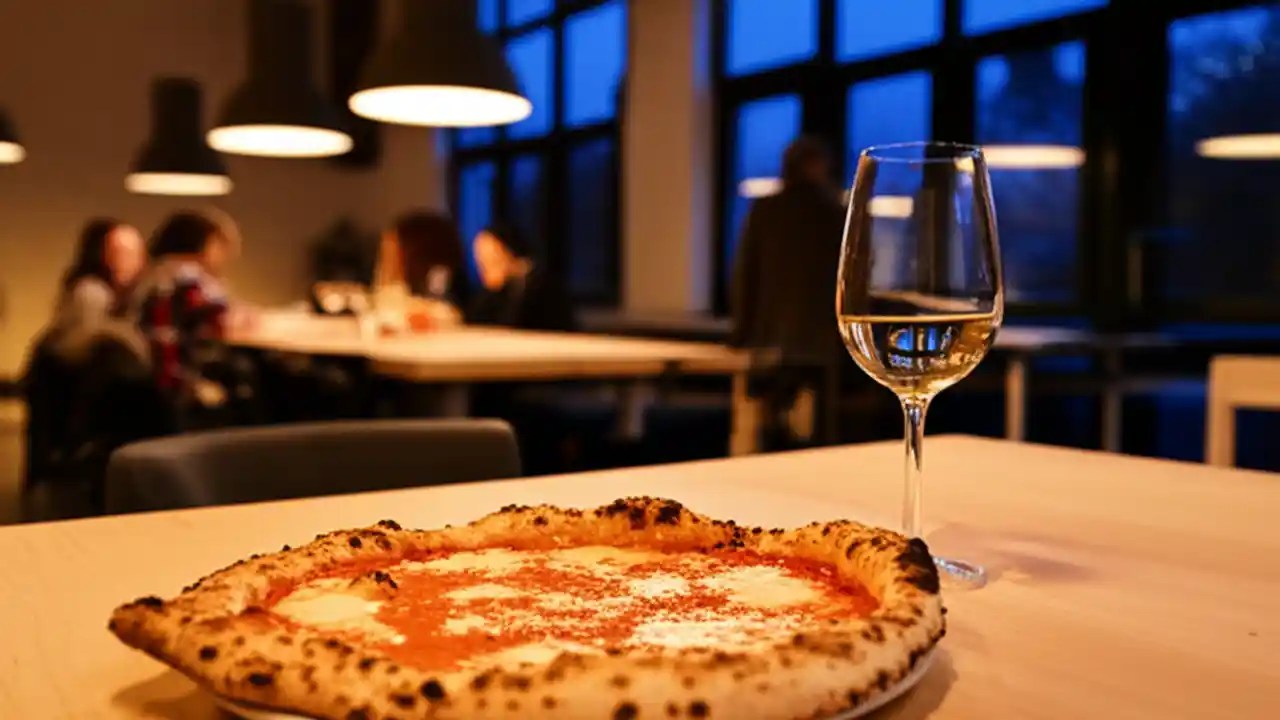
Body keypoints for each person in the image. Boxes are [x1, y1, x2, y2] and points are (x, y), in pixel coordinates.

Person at [730, 136, 847, 447]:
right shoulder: (834, 212)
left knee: (770, 420)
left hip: (772, 335)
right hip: (824, 337)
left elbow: (747, 274)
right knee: (824, 426)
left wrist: (741, 331)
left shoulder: (767, 210)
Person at [133, 210, 252, 428]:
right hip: (182, 381)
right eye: (219, 245)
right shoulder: (185, 276)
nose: (226, 255)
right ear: (201, 243)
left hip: (161, 378)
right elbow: (225, 318)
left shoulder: (157, 272)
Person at [45, 218, 147, 360]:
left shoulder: (132, 297)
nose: (138, 263)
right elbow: (82, 348)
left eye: (139, 255)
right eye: (123, 254)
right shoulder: (90, 293)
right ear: (103, 255)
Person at [467, 223, 574, 331]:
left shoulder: (537, 286)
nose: (484, 269)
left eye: (493, 260)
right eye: (481, 262)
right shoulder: (494, 293)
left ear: (510, 252)